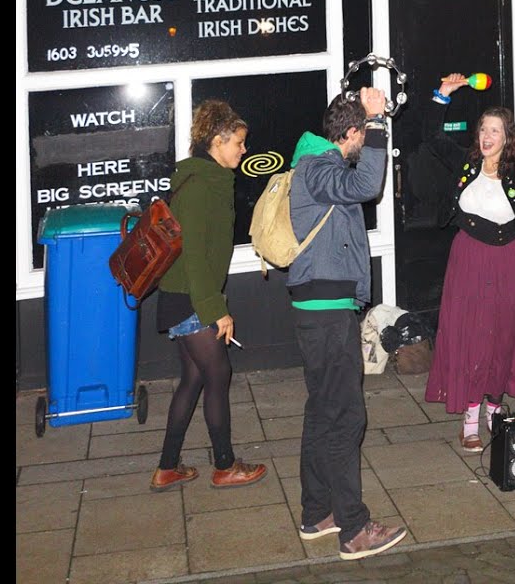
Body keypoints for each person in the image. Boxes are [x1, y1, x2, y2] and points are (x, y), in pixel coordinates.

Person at [286, 86, 408, 561]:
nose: (364, 146)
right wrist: (379, 123)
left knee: (322, 410)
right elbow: (366, 187)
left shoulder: (315, 165)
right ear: (352, 133)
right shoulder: (320, 166)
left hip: (323, 305)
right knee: (345, 415)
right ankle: (355, 530)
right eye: (363, 135)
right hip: (324, 309)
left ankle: (317, 512)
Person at [422, 73, 515, 454]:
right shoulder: (464, 163)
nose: (486, 136)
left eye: (495, 131)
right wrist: (442, 95)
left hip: (508, 261)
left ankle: (494, 409)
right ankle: (470, 417)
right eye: (483, 129)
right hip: (468, 258)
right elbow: (432, 138)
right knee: (469, 334)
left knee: (503, 333)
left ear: (508, 137)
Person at [151, 99, 268, 493]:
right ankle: (225, 465)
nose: (243, 150)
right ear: (217, 141)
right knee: (219, 374)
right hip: (190, 297)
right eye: (238, 142)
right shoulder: (201, 186)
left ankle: (168, 466)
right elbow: (196, 257)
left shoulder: (209, 178)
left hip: (183, 295)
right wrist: (217, 311)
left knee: (194, 379)